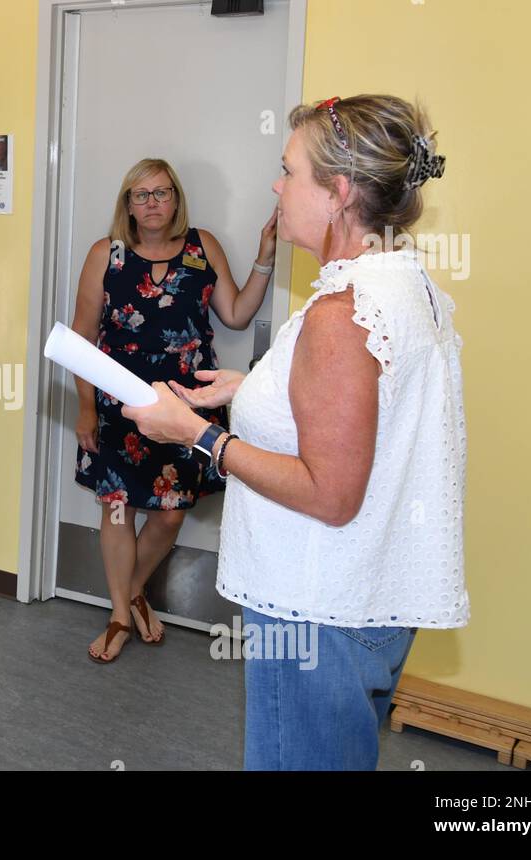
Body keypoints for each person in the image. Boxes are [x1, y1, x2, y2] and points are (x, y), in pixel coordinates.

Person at [123, 95, 465, 769]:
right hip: (371, 600)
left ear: (338, 192)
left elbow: (331, 493)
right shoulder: (402, 283)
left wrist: (199, 434)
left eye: (289, 171)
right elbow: (367, 411)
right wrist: (250, 389)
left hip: (316, 612)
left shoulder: (340, 314)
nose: (277, 187)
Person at [71, 157, 275, 663]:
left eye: (162, 193)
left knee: (171, 512)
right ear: (128, 205)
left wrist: (265, 256)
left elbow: (236, 313)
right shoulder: (106, 255)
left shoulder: (203, 248)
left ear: (176, 199)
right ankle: (122, 613)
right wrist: (86, 411)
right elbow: (81, 339)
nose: (153, 203)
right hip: (119, 405)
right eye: (141, 195)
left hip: (188, 407)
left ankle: (133, 589)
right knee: (117, 507)